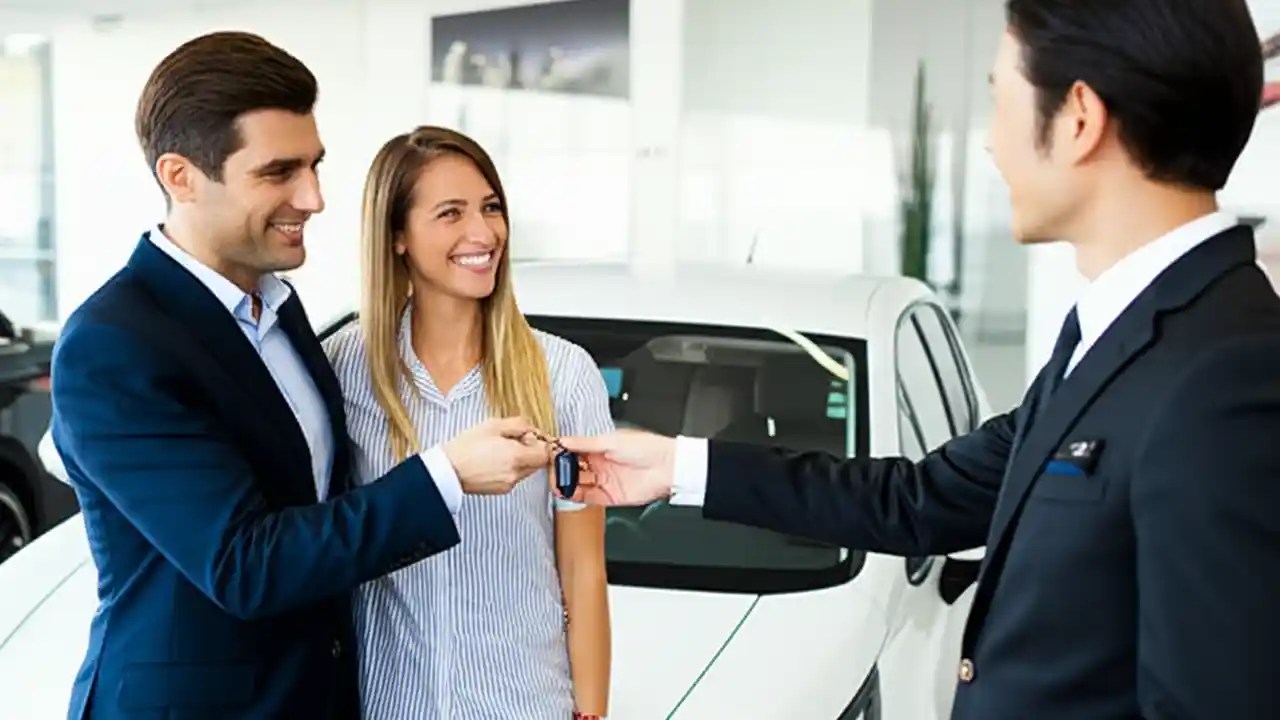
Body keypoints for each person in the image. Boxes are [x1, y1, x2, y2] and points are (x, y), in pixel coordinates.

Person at [559, 2, 1280, 719]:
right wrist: (676, 467)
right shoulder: (1115, 334)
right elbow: (917, 500)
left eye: (1000, 97)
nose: (992, 144)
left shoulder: (1225, 376)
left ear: (1079, 119)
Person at [48, 33, 553, 720]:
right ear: (180, 176)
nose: (313, 197)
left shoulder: (281, 310)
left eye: (314, 166)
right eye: (278, 172)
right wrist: (447, 473)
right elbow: (243, 565)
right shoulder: (113, 344)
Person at [323, 126, 612, 720]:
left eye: (491, 208)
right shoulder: (342, 370)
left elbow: (583, 570)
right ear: (397, 235)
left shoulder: (563, 374)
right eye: (450, 213)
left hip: (525, 705)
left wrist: (591, 714)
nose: (483, 234)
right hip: (386, 707)